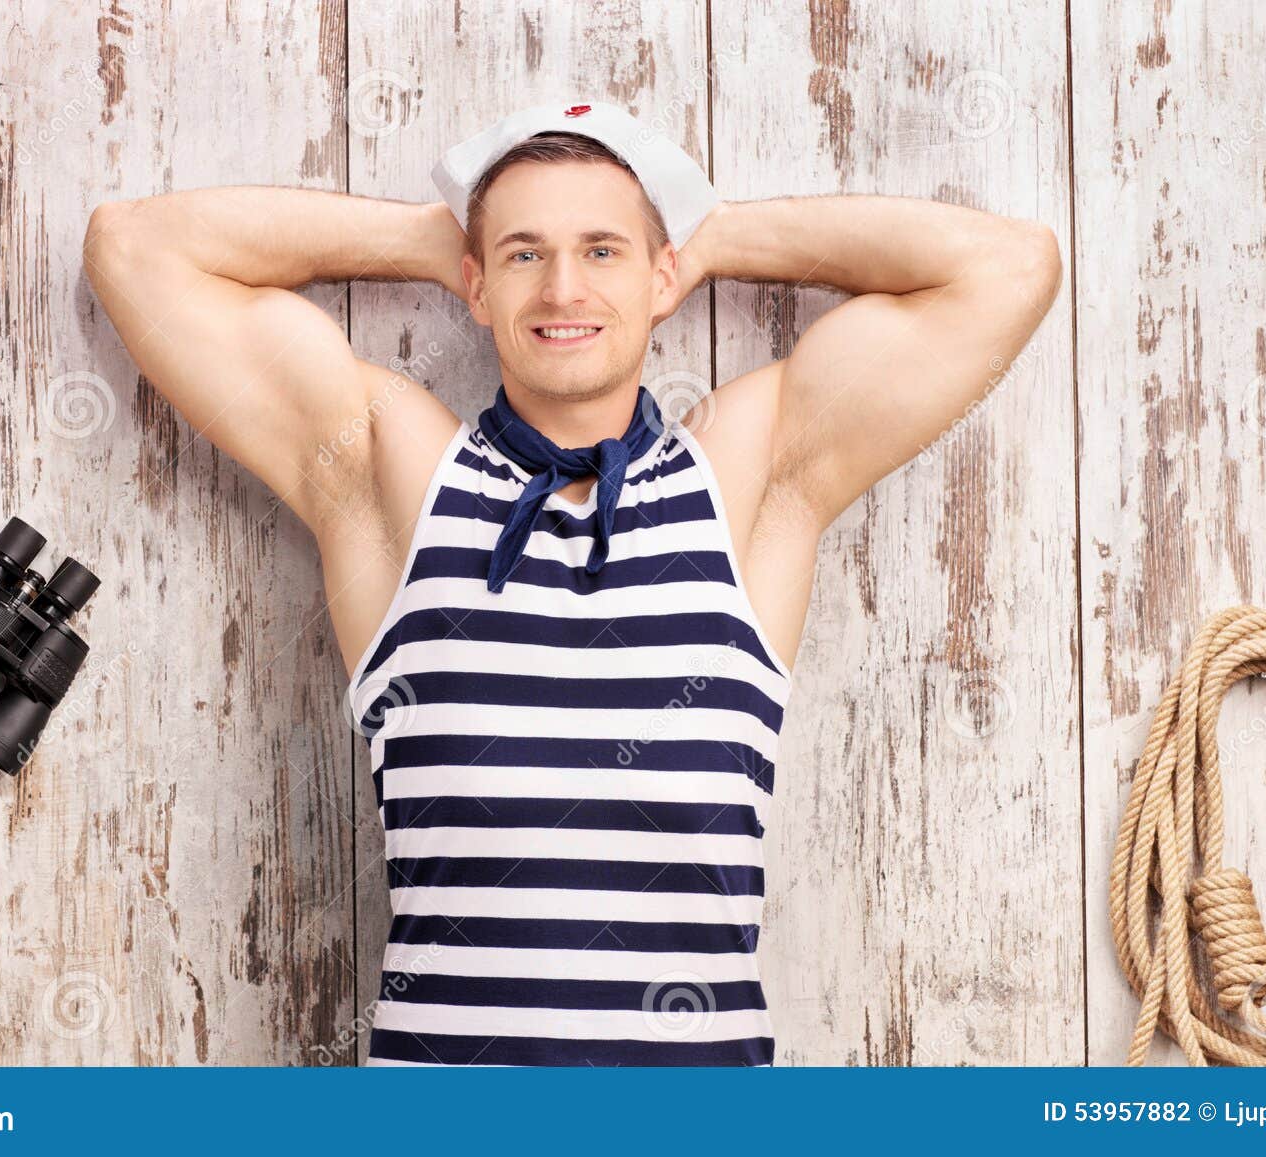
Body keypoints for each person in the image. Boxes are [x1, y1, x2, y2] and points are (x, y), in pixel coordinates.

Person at [83, 106, 1061, 1066]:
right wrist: (438, 241)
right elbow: (136, 249)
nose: (561, 287)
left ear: (660, 273)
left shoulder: (746, 479)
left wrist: (708, 237)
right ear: (476, 281)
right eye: (522, 255)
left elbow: (1007, 269)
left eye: (602, 251)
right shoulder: (400, 474)